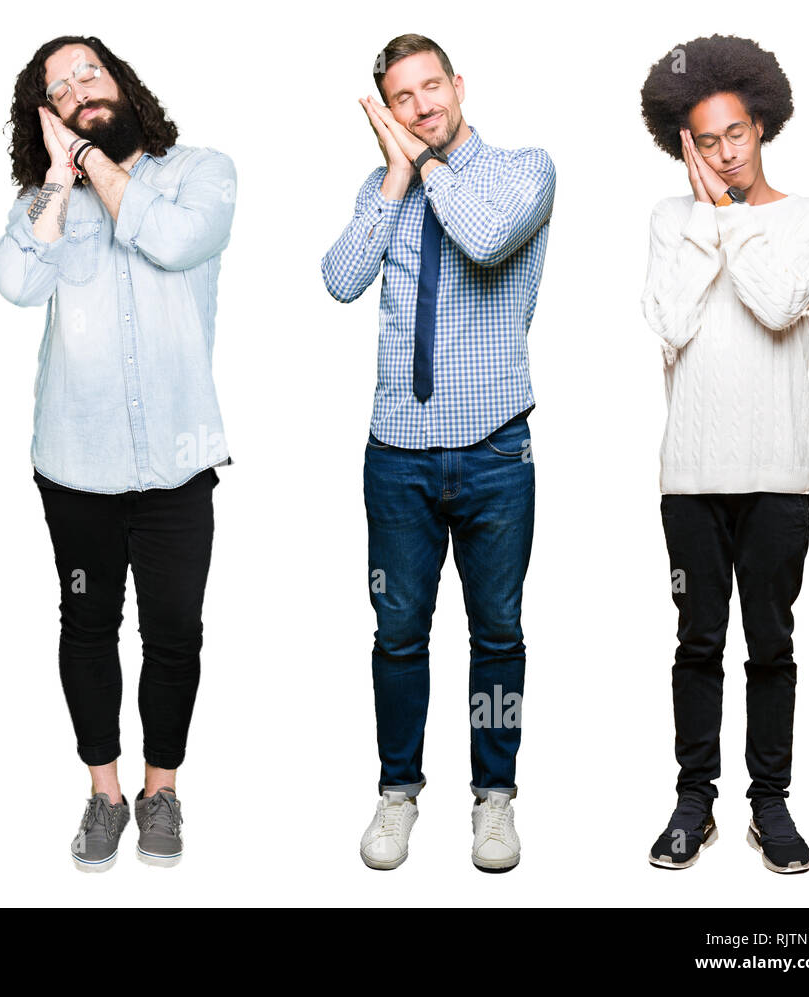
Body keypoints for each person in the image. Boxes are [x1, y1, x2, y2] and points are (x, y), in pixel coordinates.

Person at [0, 35, 235, 872]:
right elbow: (15, 282)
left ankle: (162, 790)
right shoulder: (46, 198)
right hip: (75, 466)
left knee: (174, 632)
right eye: (59, 88)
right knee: (87, 625)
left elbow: (169, 239)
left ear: (122, 84)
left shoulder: (199, 172)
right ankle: (105, 795)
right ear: (46, 116)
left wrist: (90, 157)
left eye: (90, 72)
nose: (79, 88)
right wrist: (60, 176)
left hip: (176, 462)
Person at [321, 34, 554, 872]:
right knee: (397, 634)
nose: (422, 108)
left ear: (458, 85)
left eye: (431, 88)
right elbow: (341, 279)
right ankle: (397, 793)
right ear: (387, 109)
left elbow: (486, 239)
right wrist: (391, 179)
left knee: (497, 634)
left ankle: (495, 800)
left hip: (495, 452)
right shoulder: (385, 187)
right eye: (402, 98)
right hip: (398, 457)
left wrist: (422, 167)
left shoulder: (523, 170)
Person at [640, 34, 809, 874]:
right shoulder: (667, 219)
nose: (723, 154)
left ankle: (771, 803)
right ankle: (694, 800)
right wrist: (702, 222)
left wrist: (725, 219)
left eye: (736, 135)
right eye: (705, 139)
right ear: (684, 142)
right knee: (696, 644)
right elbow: (671, 323)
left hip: (777, 476)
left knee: (772, 645)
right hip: (689, 477)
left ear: (762, 126)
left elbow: (777, 302)